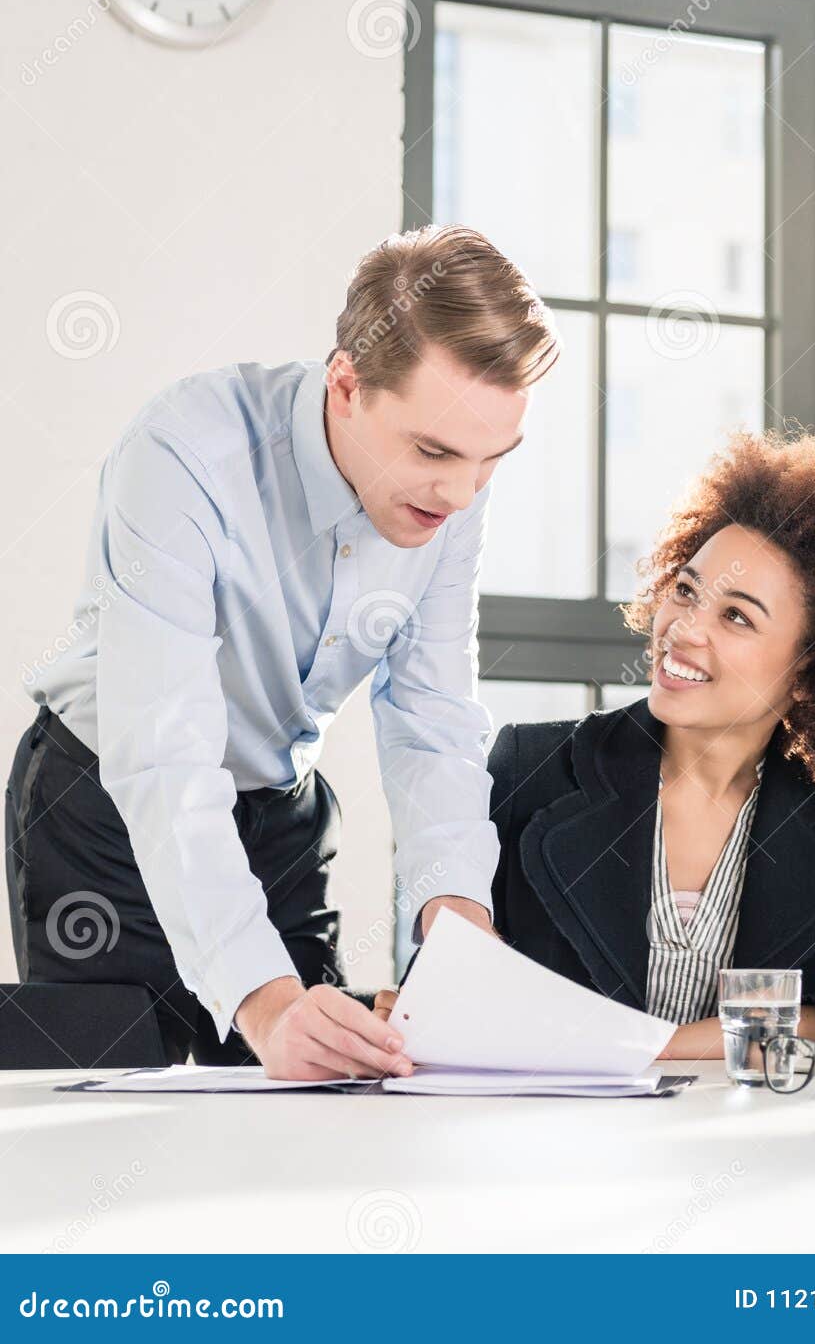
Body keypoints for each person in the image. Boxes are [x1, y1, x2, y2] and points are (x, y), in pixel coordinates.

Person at [6, 225, 558, 1078]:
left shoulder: (456, 482)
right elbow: (164, 754)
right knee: (117, 1103)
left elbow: (432, 717)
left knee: (317, 1093)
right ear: (347, 384)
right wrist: (261, 1002)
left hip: (280, 811)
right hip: (107, 807)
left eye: (492, 462)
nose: (460, 492)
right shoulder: (185, 452)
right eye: (435, 452)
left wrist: (456, 919)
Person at [376, 429, 815, 1057]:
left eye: (737, 616)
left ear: (812, 670)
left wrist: (706, 1040)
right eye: (687, 590)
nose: (685, 628)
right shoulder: (535, 770)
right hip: (556, 1149)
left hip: (770, 1153)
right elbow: (444, 1002)